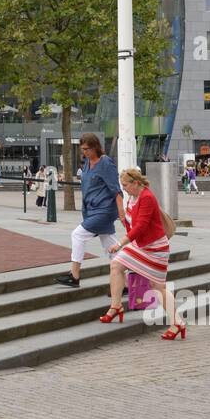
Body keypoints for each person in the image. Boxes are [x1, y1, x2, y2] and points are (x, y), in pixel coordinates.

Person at [106, 168, 182, 339]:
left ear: (135, 183)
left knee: (158, 287)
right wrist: (124, 218)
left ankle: (177, 323)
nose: (123, 188)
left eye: (125, 185)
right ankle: (116, 306)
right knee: (116, 265)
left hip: (156, 248)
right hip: (141, 246)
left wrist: (120, 243)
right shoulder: (133, 197)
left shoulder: (147, 197)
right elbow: (133, 225)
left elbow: (141, 227)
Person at [53, 133, 120, 290]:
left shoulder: (105, 163)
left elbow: (115, 189)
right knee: (111, 247)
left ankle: (74, 275)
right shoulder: (87, 163)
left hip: (103, 211)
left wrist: (122, 212)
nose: (84, 152)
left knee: (77, 235)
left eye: (87, 149)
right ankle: (126, 279)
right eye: (82, 149)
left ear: (95, 146)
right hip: (92, 210)